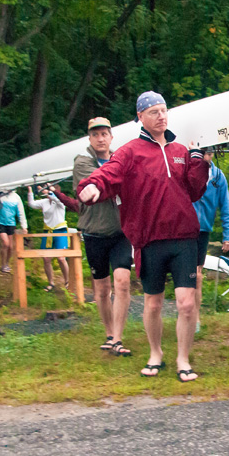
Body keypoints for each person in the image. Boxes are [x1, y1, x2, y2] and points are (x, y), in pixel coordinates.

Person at [78, 92, 209, 382]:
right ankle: (156, 353)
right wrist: (92, 186)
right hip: (149, 240)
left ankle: (183, 359)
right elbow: (109, 174)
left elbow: (195, 190)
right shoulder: (130, 152)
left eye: (164, 110)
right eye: (153, 112)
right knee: (153, 304)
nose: (161, 116)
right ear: (140, 117)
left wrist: (199, 160)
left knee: (187, 303)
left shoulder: (179, 150)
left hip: (184, 236)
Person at [61, 117, 134, 356]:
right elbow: (99, 186)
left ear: (111, 137)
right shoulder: (82, 162)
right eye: (95, 135)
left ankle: (118, 338)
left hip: (120, 231)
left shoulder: (120, 158)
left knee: (122, 282)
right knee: (102, 289)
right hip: (94, 232)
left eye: (104, 134)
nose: (100, 138)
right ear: (89, 139)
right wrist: (121, 179)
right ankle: (109, 332)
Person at [192, 148, 229, 332]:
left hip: (203, 230)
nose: (206, 158)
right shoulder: (187, 170)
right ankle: (185, 311)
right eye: (203, 153)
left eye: (210, 153)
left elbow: (226, 206)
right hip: (183, 228)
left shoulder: (218, 177)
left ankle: (194, 318)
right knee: (185, 273)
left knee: (197, 274)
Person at [26, 184, 70, 291]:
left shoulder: (60, 202)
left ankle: (67, 281)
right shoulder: (44, 202)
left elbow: (58, 199)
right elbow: (31, 204)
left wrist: (50, 192)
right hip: (48, 231)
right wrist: (30, 190)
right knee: (46, 258)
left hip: (60, 230)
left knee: (61, 258)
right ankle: (51, 282)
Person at [0, 186, 28, 273]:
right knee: (5, 243)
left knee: (10, 246)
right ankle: (3, 264)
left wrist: (24, 226)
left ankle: (6, 264)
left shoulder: (16, 197)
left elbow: (21, 212)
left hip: (11, 223)